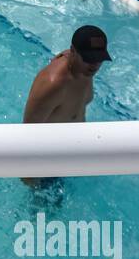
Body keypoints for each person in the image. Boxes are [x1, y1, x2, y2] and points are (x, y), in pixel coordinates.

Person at [16, 25, 113, 204]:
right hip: (47, 162)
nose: (95, 65)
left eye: (99, 59)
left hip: (68, 152)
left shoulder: (83, 68)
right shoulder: (53, 84)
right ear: (73, 51)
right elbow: (28, 135)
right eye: (89, 59)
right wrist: (31, 179)